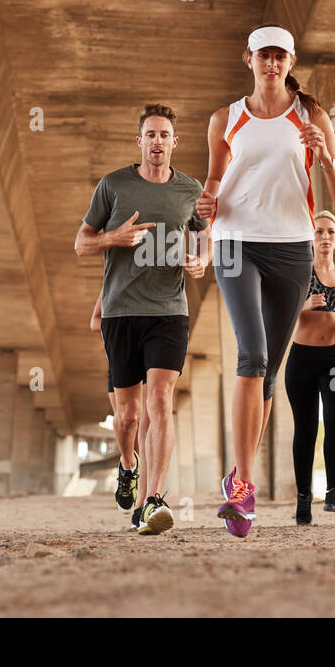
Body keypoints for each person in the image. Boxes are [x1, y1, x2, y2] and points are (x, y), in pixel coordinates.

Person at [196, 24, 335, 538]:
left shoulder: (312, 116)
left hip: (293, 248)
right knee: (253, 357)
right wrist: (206, 200)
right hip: (236, 242)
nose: (271, 64)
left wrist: (325, 155)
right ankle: (243, 490)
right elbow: (216, 178)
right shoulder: (227, 117)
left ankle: (237, 480)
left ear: (290, 61)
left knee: (266, 377)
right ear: (248, 59)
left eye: (279, 57)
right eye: (262, 56)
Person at [76, 103, 209, 535]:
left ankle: (152, 501)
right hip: (121, 311)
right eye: (149, 134)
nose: (156, 141)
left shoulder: (190, 189)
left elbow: (206, 235)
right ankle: (128, 464)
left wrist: (201, 261)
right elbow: (82, 243)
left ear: (174, 142)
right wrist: (115, 237)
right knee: (129, 416)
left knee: (160, 402)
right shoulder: (113, 185)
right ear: (140, 141)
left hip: (169, 311)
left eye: (163, 134)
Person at [286, 210, 335, 525]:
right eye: (319, 231)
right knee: (305, 429)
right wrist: (302, 306)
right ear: (310, 237)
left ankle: (334, 493)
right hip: (302, 360)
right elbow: (278, 313)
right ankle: (303, 499)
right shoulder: (297, 273)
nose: (325, 237)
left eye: (331, 232)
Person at [91, 293, 150, 528]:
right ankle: (128, 466)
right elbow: (95, 321)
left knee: (148, 430)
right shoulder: (114, 280)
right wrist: (120, 325)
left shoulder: (160, 275)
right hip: (121, 360)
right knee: (128, 422)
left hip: (154, 361)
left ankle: (143, 505)